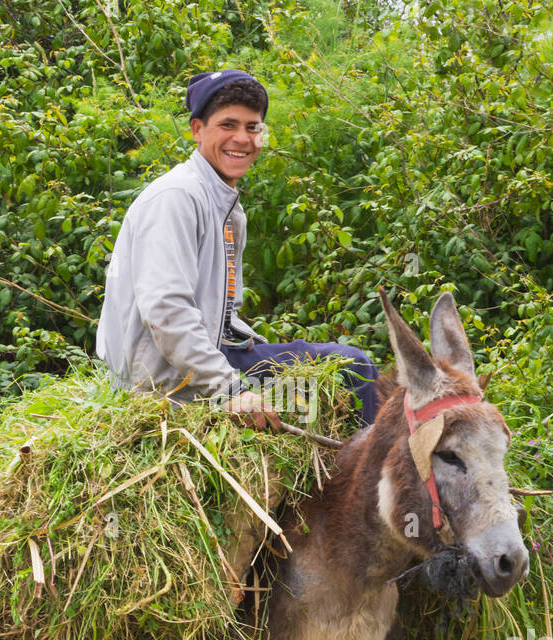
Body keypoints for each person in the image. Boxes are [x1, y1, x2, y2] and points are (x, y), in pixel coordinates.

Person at [95, 68, 380, 431]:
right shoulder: (177, 198)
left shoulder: (225, 206)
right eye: (228, 125)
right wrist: (230, 389)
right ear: (197, 130)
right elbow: (166, 311)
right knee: (351, 369)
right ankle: (373, 486)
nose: (242, 138)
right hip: (167, 384)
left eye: (252, 127)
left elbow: (222, 316)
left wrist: (253, 348)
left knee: (330, 367)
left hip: (205, 362)